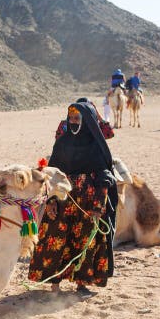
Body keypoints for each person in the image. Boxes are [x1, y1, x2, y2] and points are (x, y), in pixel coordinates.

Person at [28, 101, 117, 295]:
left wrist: (99, 205)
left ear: (87, 121)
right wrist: (50, 200)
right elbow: (52, 172)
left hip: (87, 204)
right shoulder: (62, 142)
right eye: (72, 118)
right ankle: (55, 284)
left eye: (78, 119)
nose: (74, 122)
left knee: (86, 241)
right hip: (62, 199)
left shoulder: (96, 146)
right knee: (56, 238)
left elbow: (104, 176)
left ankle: (81, 283)